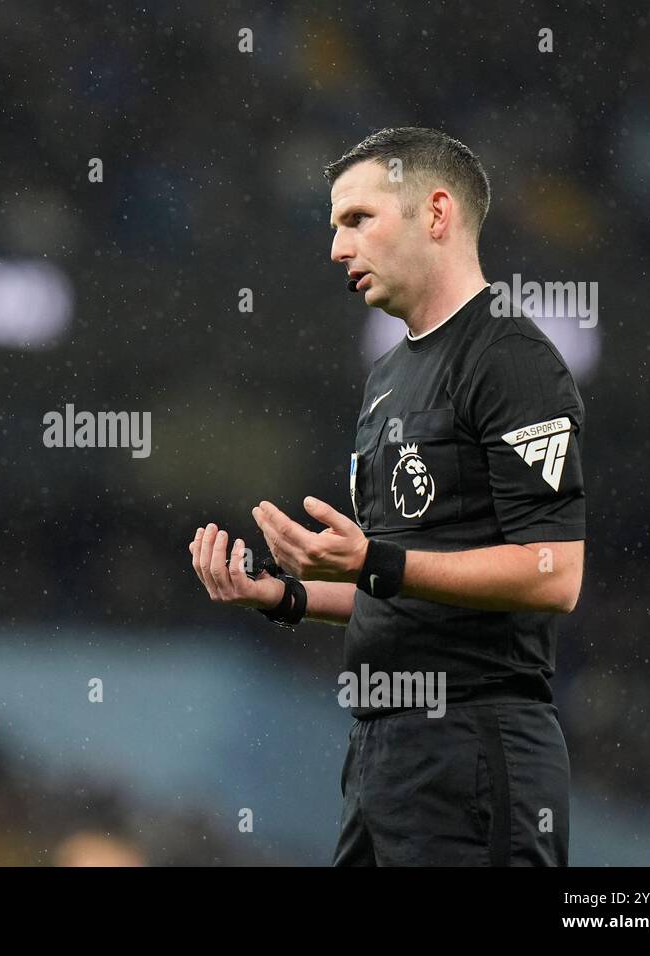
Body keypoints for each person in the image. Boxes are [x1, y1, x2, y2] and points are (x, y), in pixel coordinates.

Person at [188, 128, 586, 865]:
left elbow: (554, 573)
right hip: (380, 756)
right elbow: (392, 581)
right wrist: (284, 594)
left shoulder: (512, 359)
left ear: (436, 214)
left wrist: (375, 559)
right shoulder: (387, 378)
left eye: (357, 219)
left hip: (475, 753)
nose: (337, 247)